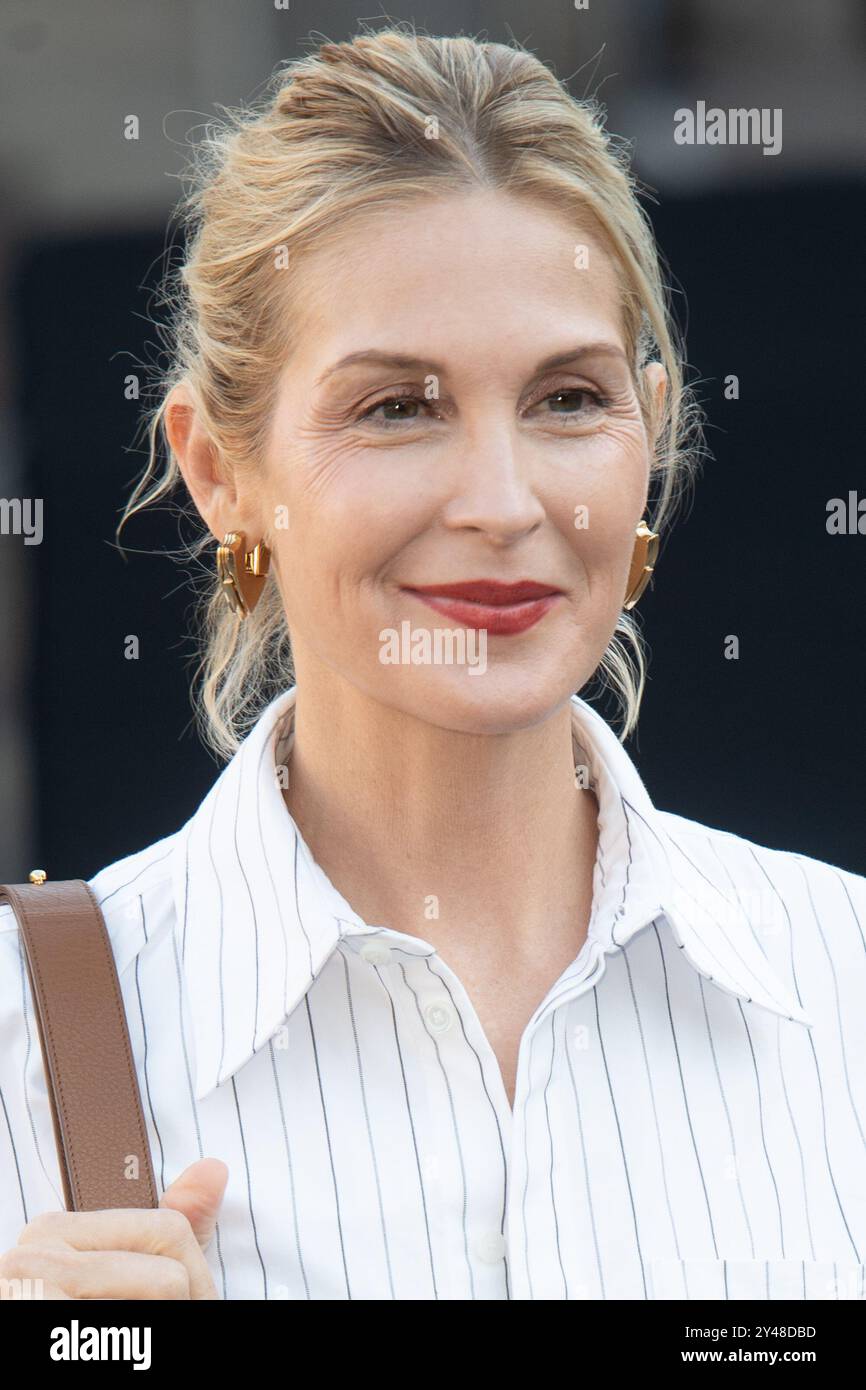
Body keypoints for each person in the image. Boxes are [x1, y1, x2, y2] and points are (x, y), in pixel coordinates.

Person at [1, 27, 864, 1302]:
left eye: (567, 399)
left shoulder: (840, 985)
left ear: (652, 428)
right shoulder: (24, 1041)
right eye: (395, 407)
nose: (501, 500)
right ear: (220, 469)